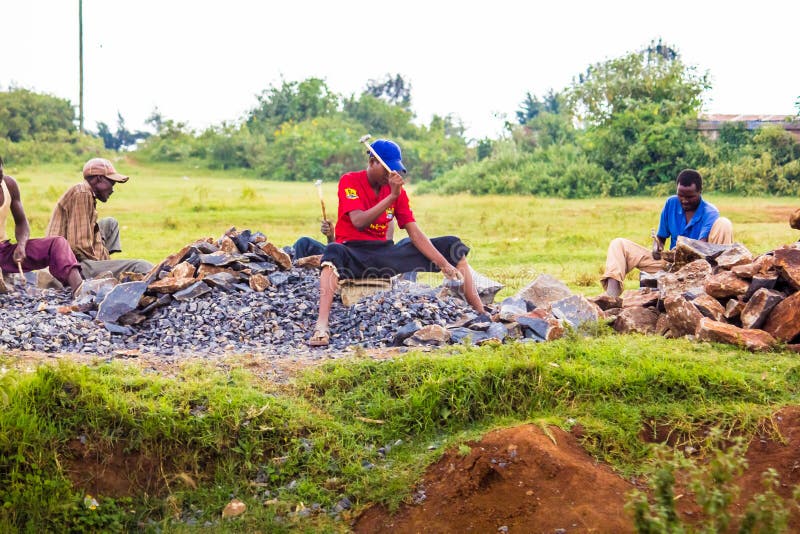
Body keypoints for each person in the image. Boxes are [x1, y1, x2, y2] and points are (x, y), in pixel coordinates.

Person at [308, 139, 484, 347]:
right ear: (372, 162)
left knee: (452, 245)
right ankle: (322, 326)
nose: (392, 174)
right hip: (353, 253)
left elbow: (414, 233)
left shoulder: (396, 192)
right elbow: (359, 221)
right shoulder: (350, 181)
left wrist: (444, 264)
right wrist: (392, 197)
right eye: (387, 169)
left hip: (384, 253)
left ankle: (481, 313)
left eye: (395, 169)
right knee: (333, 251)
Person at [600, 169, 734, 297]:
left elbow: (701, 247)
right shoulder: (671, 203)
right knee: (618, 244)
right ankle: (611, 298)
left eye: (690, 197)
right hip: (670, 266)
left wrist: (679, 253)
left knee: (724, 223)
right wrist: (657, 247)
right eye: (680, 195)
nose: (684, 200)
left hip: (700, 268)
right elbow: (661, 237)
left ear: (700, 192)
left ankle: (719, 284)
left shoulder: (710, 212)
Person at [46, 158, 153, 280]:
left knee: (110, 223)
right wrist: (103, 266)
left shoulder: (85, 193)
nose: (112, 189)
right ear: (99, 179)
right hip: (71, 266)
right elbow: (78, 246)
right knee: (140, 266)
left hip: (77, 260)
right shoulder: (82, 192)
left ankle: (103, 265)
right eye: (111, 183)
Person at [0, 156, 83, 294]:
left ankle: (80, 291)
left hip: (4, 251)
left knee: (57, 243)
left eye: (0, 174)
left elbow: (21, 223)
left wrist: (21, 245)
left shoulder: (9, 185)